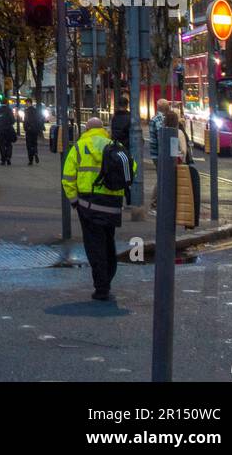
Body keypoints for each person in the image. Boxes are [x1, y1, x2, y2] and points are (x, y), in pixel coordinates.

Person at [62, 117, 135, 302]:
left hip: (88, 204)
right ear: (103, 129)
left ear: (86, 129)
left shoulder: (78, 147)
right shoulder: (113, 145)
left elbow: (68, 178)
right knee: (108, 242)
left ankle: (101, 288)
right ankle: (108, 277)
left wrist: (74, 201)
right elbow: (131, 168)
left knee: (94, 246)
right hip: (112, 203)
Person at [148, 97, 170, 210]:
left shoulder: (154, 118)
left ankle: (157, 202)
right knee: (162, 178)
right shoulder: (160, 119)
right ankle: (154, 203)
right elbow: (161, 136)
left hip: (155, 153)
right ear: (166, 108)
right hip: (159, 154)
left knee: (162, 177)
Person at [0, 101, 17, 165]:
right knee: (9, 144)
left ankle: (3, 159)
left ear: (1, 104)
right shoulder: (9, 111)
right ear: (7, 104)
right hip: (8, 130)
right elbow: (13, 121)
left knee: (1, 145)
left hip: (0, 131)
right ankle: (8, 156)